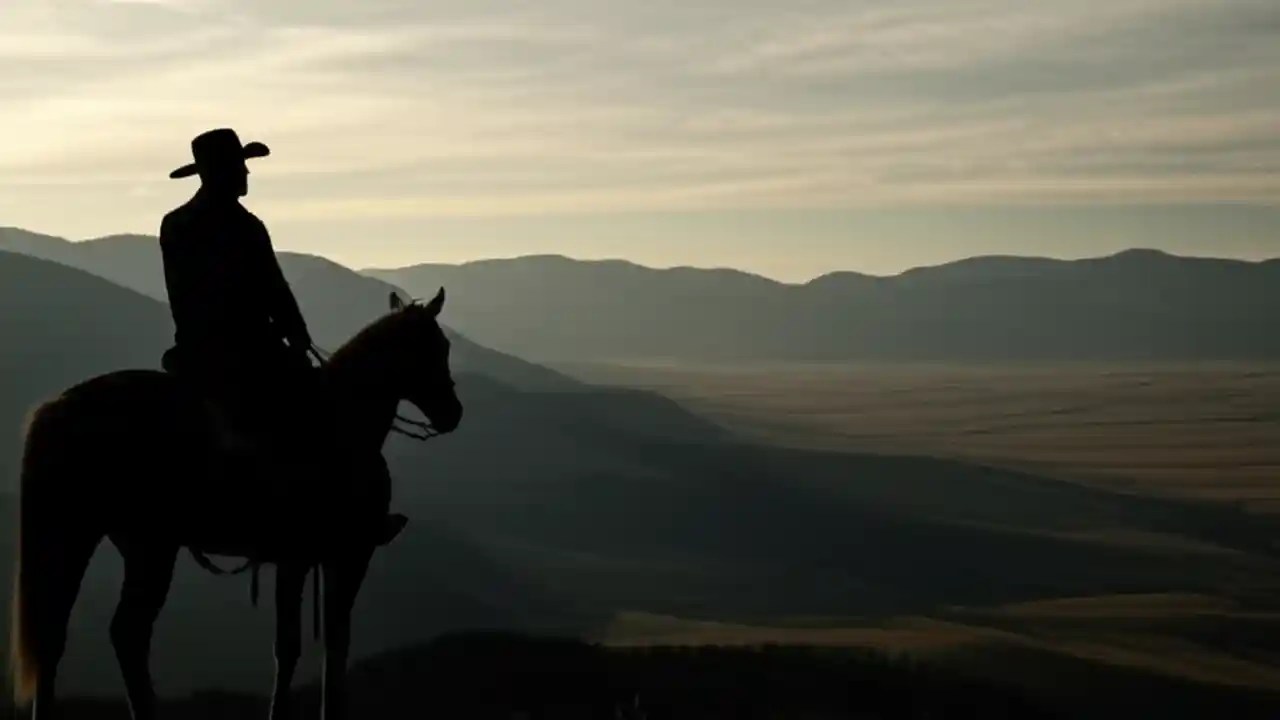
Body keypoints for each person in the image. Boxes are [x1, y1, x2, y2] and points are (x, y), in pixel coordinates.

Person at [158, 127, 403, 550]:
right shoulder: (245, 226)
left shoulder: (177, 224)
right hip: (245, 351)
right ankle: (322, 516)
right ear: (221, 172)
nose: (246, 174)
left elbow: (188, 294)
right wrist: (295, 335)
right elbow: (273, 287)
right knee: (314, 409)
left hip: (196, 349)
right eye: (239, 166)